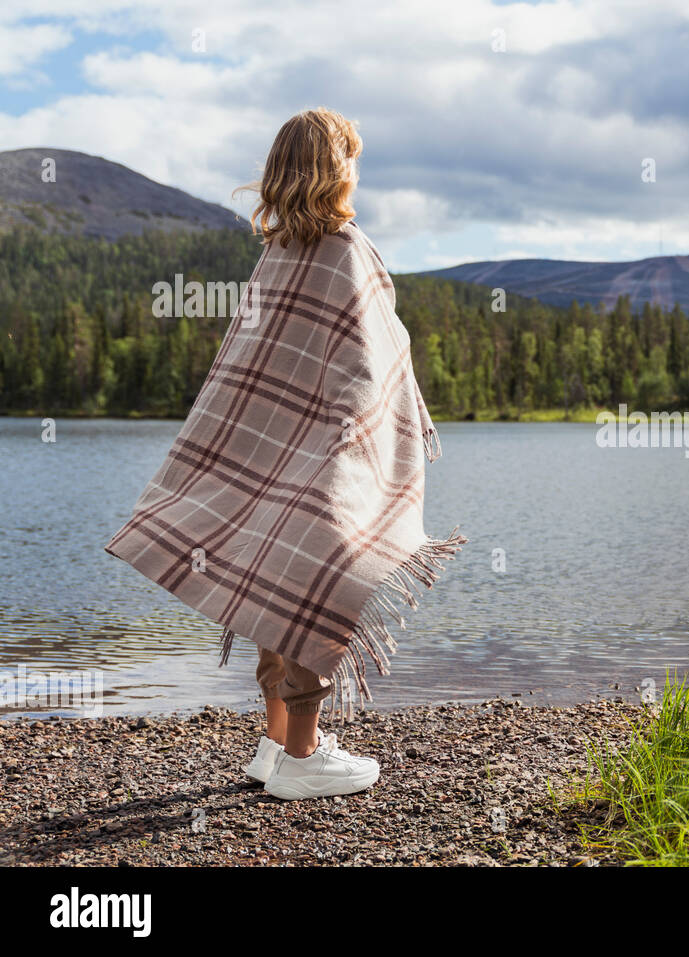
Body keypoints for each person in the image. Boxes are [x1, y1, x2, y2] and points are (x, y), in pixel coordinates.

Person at [105, 107, 464, 800]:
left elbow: (253, 369)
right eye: (351, 159)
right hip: (329, 458)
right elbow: (367, 362)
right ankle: (302, 754)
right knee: (313, 583)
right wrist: (365, 443)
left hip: (273, 456)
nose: (358, 171)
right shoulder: (345, 250)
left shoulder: (276, 254)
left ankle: (275, 744)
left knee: (277, 587)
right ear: (336, 172)